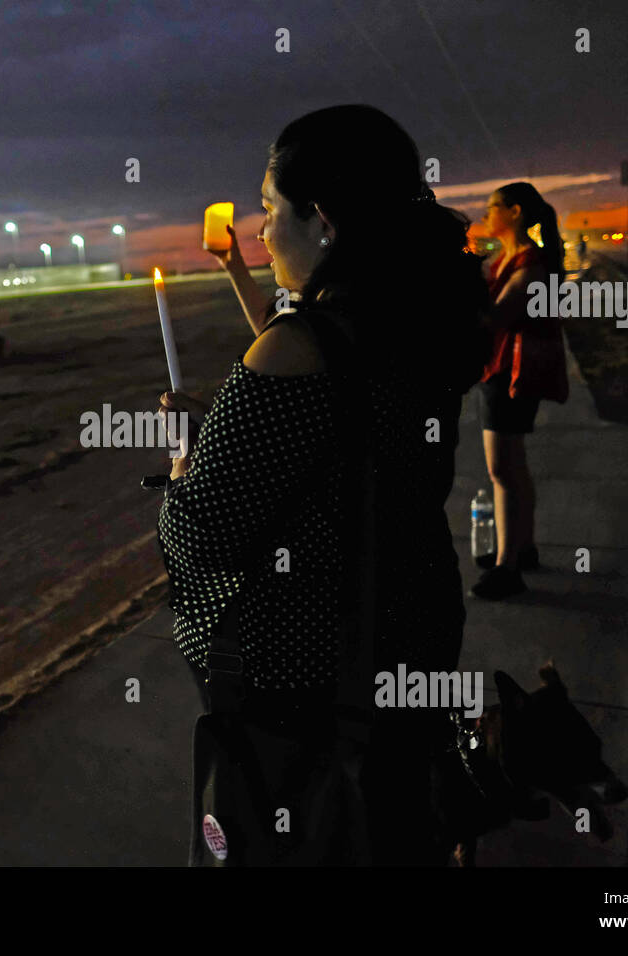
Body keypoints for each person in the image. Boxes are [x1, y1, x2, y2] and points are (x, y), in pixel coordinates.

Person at [154, 104, 490, 865]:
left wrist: (186, 462)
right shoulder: (416, 314)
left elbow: (200, 534)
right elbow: (345, 452)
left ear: (324, 221)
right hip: (410, 634)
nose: (263, 233)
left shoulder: (298, 347)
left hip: (305, 689)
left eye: (271, 211)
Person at [470, 182, 568, 599]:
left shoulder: (531, 263)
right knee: (515, 466)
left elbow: (493, 318)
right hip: (501, 371)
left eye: (492, 206)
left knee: (501, 471)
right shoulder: (506, 257)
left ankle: (507, 569)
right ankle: (523, 548)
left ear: (513, 212)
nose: (486, 213)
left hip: (509, 377)